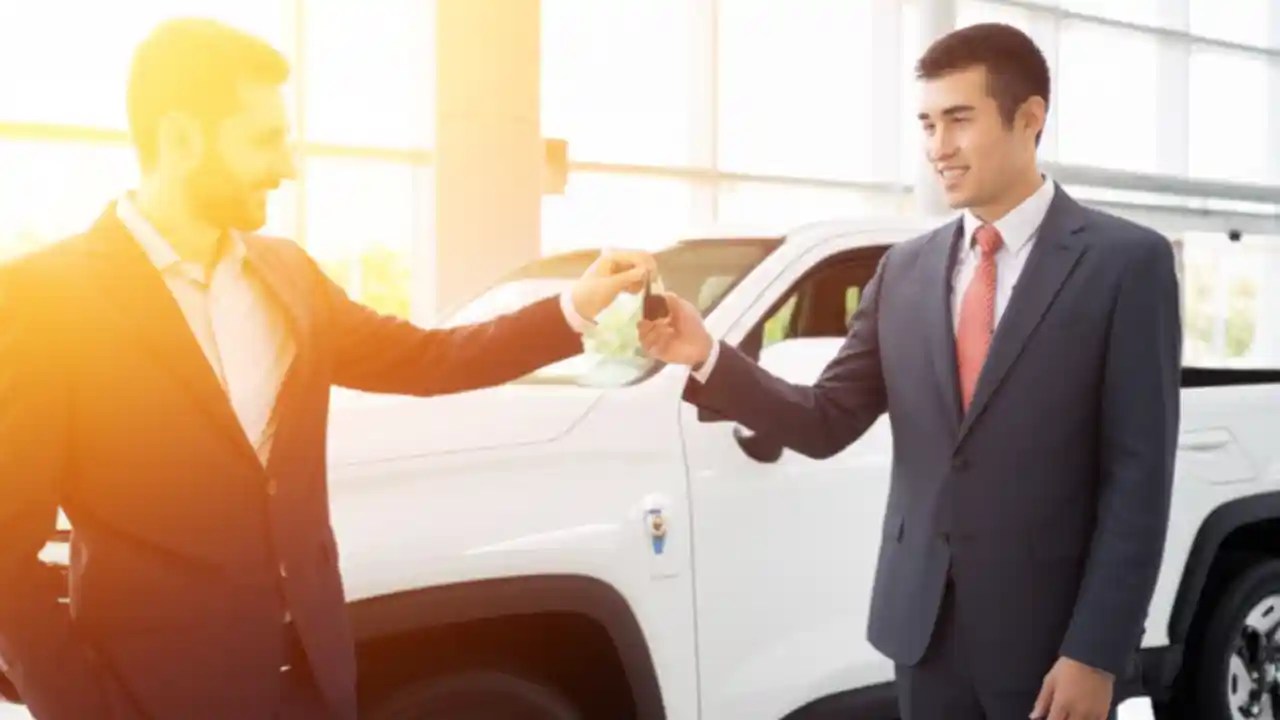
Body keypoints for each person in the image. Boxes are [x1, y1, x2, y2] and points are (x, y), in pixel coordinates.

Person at [0, 18, 651, 720]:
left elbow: (429, 359)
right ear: (181, 138)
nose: (287, 166)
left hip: (314, 684)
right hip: (155, 698)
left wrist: (574, 307)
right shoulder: (45, 297)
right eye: (264, 139)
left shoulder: (286, 274)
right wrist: (82, 707)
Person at [640, 22, 1180, 720]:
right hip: (924, 633)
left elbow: (1138, 480)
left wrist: (1096, 650)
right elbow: (825, 419)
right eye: (926, 124)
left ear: (1030, 118)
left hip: (1053, 645)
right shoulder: (905, 270)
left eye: (959, 120)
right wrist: (707, 354)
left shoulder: (1124, 264)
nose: (937, 148)